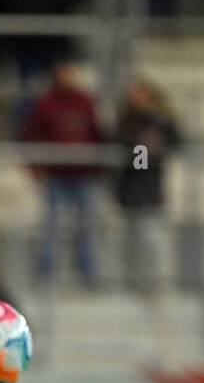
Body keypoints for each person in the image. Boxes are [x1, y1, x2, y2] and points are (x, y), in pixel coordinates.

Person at [20, 59, 104, 286]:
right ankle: (46, 273)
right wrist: (34, 166)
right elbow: (30, 133)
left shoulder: (85, 102)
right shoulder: (45, 103)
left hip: (83, 173)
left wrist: (99, 167)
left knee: (86, 225)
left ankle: (87, 273)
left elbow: (97, 134)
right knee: (52, 224)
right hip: (56, 173)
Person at [112, 78, 181, 302]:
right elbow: (123, 151)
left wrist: (154, 145)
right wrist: (141, 152)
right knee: (130, 241)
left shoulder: (159, 123)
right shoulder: (126, 124)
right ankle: (132, 283)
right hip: (129, 189)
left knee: (150, 239)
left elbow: (178, 142)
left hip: (151, 191)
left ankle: (153, 282)